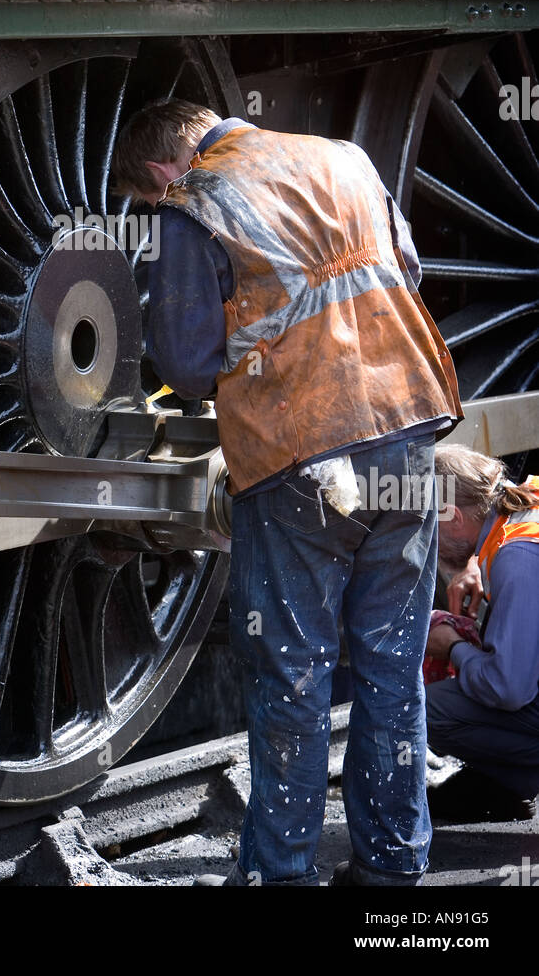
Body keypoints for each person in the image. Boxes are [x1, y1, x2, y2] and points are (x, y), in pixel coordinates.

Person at [111, 100, 463, 886]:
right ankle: (395, 869)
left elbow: (189, 363)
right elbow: (407, 273)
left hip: (298, 457)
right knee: (393, 669)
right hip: (406, 432)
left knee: (293, 679)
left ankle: (282, 874)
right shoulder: (347, 157)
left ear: (164, 171)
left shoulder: (194, 203)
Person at [424, 444, 539, 821]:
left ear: (454, 518)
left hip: (517, 690)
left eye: (429, 526)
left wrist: (453, 646)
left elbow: (508, 689)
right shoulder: (527, 501)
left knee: (422, 709)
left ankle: (512, 782)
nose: (429, 542)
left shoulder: (517, 559)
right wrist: (478, 563)